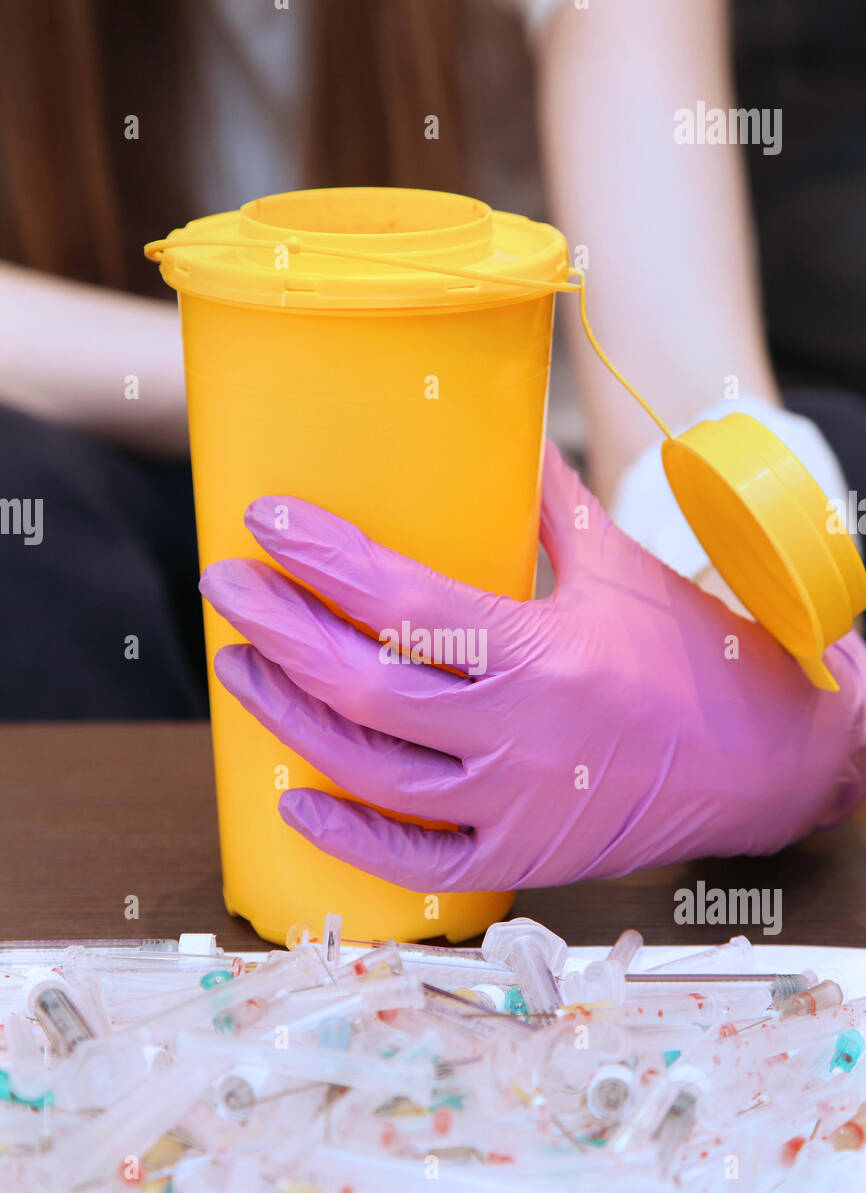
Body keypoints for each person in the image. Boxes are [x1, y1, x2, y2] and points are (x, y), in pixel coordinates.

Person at [2, 0, 866, 881]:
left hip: (524, 514)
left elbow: (678, 377)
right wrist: (284, 380)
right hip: (167, 488)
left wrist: (744, 652)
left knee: (839, 451)